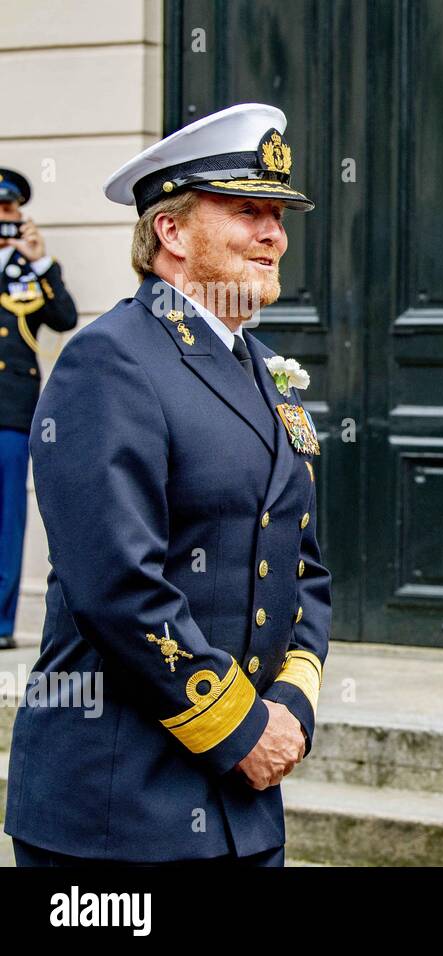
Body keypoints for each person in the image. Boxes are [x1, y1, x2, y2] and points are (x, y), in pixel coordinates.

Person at [3, 103, 330, 865]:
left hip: (244, 815)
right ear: (171, 234)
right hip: (119, 812)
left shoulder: (268, 371)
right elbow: (117, 585)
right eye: (248, 211)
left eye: (278, 215)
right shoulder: (111, 360)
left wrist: (290, 707)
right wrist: (241, 730)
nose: (274, 234)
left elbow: (304, 566)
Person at [0, 167, 77, 649]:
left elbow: (64, 317)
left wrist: (41, 260)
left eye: (8, 208)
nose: (2, 216)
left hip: (10, 404)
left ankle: (2, 624)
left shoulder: (33, 269)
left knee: (8, 513)